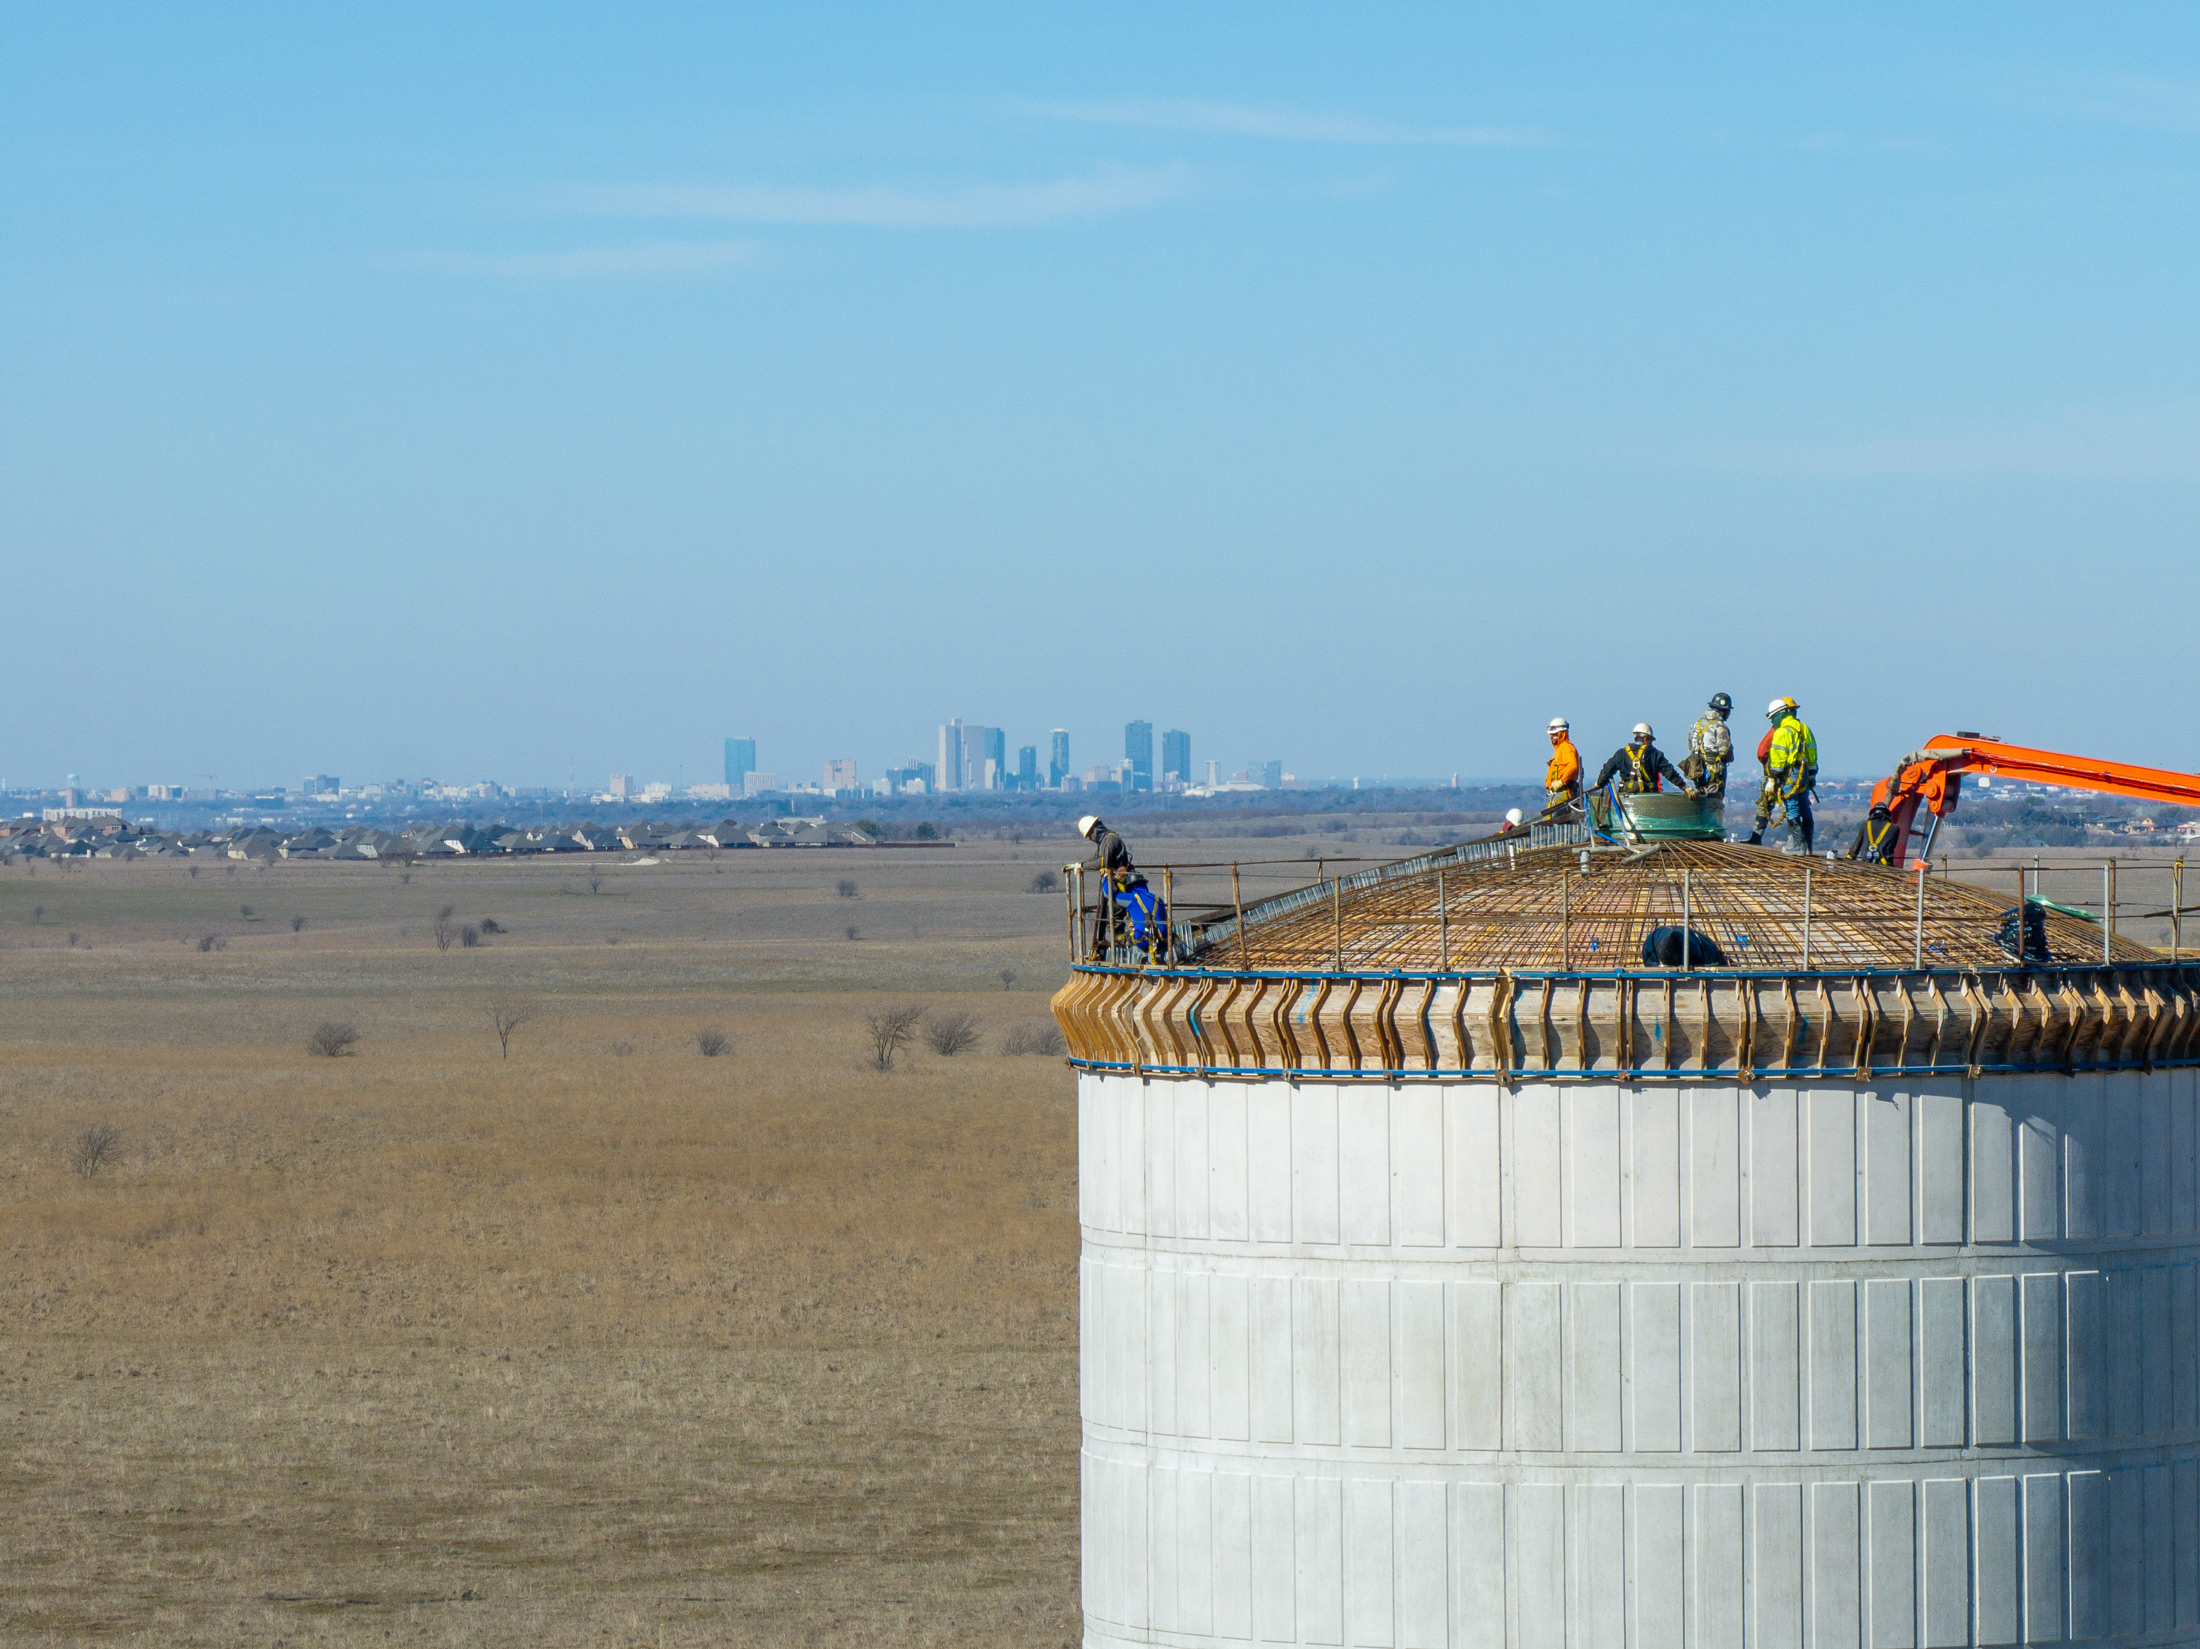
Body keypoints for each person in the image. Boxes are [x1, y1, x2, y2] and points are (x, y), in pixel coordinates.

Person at [1075, 815, 1138, 958]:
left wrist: (1083, 866)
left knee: (1115, 916)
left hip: (1120, 885)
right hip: (1113, 883)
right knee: (1110, 915)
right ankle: (1119, 947)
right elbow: (1096, 857)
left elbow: (1103, 862)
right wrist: (1079, 864)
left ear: (1094, 831)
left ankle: (1123, 950)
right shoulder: (1105, 841)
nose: (1091, 839)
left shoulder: (1109, 841)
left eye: (1089, 836)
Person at [1764, 697, 1819, 853]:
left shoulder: (1782, 732)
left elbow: (1778, 759)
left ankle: (1797, 846)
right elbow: (1812, 752)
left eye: (1773, 717)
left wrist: (1772, 779)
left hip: (1791, 773)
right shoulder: (1804, 728)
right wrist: (1812, 773)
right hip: (1805, 773)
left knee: (1792, 807)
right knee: (1805, 808)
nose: (1772, 721)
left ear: (1780, 714)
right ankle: (1807, 846)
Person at [1594, 724, 1696, 795]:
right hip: (1650, 800)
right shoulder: (1655, 754)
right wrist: (1685, 787)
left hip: (1626, 800)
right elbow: (1670, 773)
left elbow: (1607, 770)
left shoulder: (1621, 753)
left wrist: (1599, 784)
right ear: (1646, 739)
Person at [1684, 693, 1736, 798]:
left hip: (1696, 769)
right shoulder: (1720, 727)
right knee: (1713, 800)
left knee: (1700, 797)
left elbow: (1690, 745)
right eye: (1728, 711)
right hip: (1714, 771)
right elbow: (1725, 751)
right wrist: (1730, 758)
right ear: (1723, 711)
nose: (1729, 714)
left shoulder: (1696, 724)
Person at [1744, 721, 1779, 844]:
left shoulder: (1776, 731)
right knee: (1795, 806)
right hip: (1796, 777)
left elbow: (1762, 752)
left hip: (1774, 775)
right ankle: (1801, 842)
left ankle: (1756, 837)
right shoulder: (1801, 730)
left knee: (1765, 805)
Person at [1543, 718, 1583, 814]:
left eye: (1555, 734)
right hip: (1558, 794)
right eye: (1551, 734)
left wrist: (1561, 782)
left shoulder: (1567, 748)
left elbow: (1573, 767)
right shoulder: (1559, 750)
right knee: (1552, 821)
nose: (1552, 737)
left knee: (1554, 823)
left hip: (1564, 793)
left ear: (1562, 733)